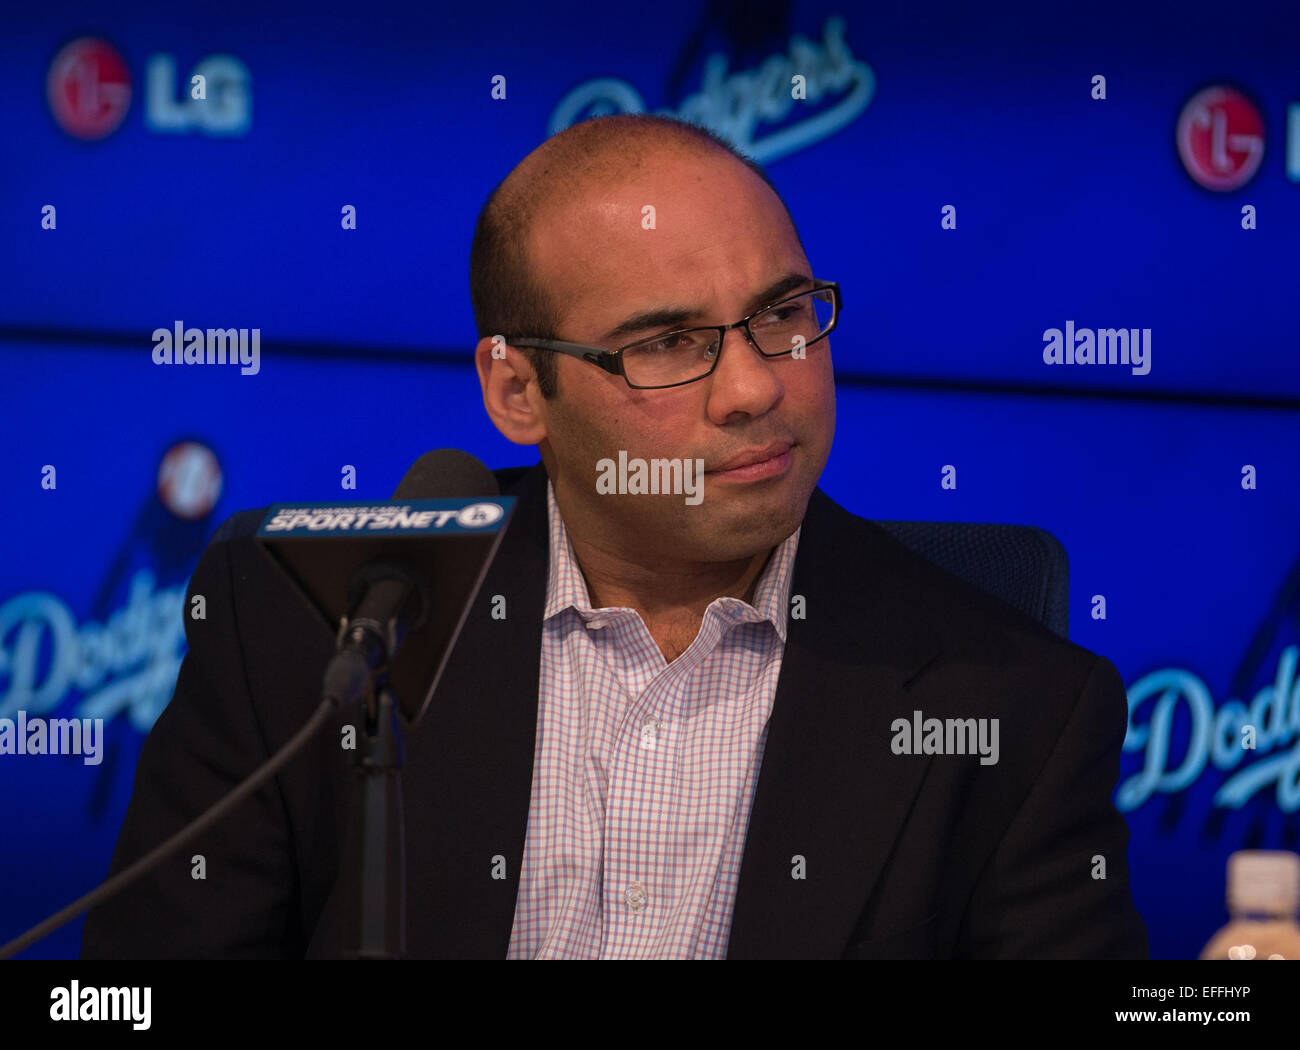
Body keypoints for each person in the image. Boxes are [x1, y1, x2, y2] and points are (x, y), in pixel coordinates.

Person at [81, 114, 1147, 959]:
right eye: (669, 342)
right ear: (516, 389)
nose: (755, 385)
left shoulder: (1016, 707)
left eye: (783, 315)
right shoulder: (306, 629)